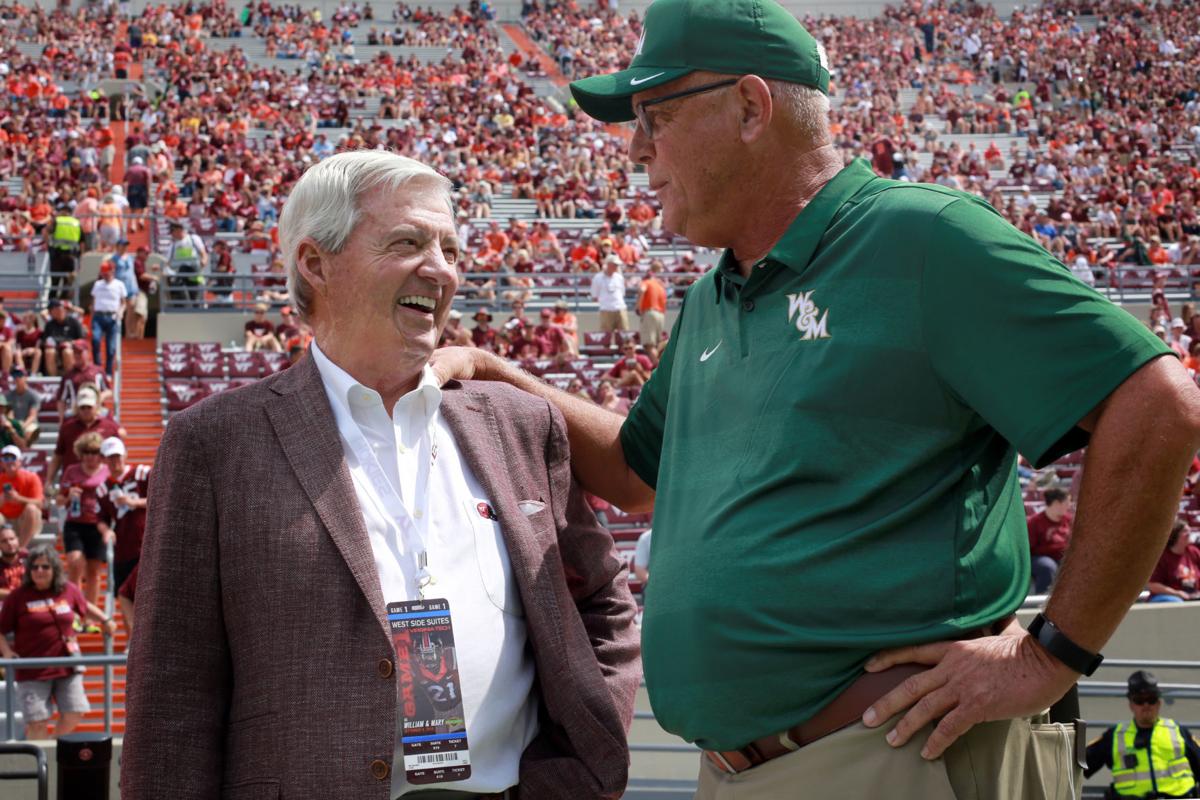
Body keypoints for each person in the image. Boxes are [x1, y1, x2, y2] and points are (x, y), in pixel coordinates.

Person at [431, 1, 1200, 797]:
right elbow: (633, 471)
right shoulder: (714, 295)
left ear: (751, 107)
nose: (637, 150)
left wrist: (1052, 655)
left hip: (894, 758)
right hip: (737, 771)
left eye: (655, 115)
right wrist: (496, 372)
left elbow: (1156, 402)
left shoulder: (922, 238)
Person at [122, 151, 640, 800]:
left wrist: (583, 761)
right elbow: (172, 694)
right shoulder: (216, 443)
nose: (442, 268)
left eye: (451, 248)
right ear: (315, 263)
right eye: (408, 242)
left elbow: (603, 600)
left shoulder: (518, 424)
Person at [0, 545, 117, 740]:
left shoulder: (68, 589)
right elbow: (1, 629)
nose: (39, 571)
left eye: (45, 566)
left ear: (54, 568)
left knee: (74, 712)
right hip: (32, 670)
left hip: (67, 665)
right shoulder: (18, 596)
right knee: (37, 721)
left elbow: (84, 605)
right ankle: (39, 763)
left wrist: (105, 620)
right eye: (35, 567)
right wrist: (6, 652)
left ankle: (52, 750)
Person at [1085, 671, 1200, 798]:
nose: (1146, 705)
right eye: (1139, 700)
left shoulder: (1178, 731)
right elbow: (1080, 764)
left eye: (1151, 699)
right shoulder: (1114, 736)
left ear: (1158, 703)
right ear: (1131, 705)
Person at [57, 431, 111, 607]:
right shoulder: (72, 471)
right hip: (75, 523)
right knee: (74, 563)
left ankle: (90, 616)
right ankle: (74, 610)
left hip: (98, 523)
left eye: (94, 452)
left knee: (94, 571)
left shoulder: (107, 471)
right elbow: (59, 500)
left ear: (100, 454)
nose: (90, 456)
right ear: (80, 453)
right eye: (86, 452)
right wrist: (68, 495)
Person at [96, 436, 148, 594]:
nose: (114, 461)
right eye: (110, 457)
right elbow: (100, 518)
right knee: (125, 594)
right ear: (104, 459)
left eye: (117, 456)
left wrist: (136, 503)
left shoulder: (142, 474)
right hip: (125, 548)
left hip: (148, 542)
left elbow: (164, 496)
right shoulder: (103, 489)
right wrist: (106, 531)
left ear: (125, 455)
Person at [48, 387, 123, 494]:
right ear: (77, 408)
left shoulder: (109, 427)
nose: (86, 410)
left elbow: (120, 453)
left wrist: (119, 474)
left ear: (96, 406)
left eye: (89, 407)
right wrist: (49, 480)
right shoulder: (67, 427)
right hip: (74, 481)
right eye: (83, 407)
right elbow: (58, 455)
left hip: (104, 481)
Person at [1027, 488, 1073, 594]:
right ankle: (1042, 598)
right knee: (1047, 566)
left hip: (1063, 556)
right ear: (1057, 503)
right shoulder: (1034, 522)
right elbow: (1028, 550)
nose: (1070, 506)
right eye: (1068, 502)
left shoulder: (1069, 520)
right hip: (1039, 558)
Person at [0, 444, 44, 548]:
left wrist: (19, 499)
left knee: (31, 508)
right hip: (5, 521)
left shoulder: (31, 477)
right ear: (1, 463)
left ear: (20, 461)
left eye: (12, 458)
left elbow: (40, 503)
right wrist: (2, 499)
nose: (9, 461)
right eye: (6, 458)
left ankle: (21, 549)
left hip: (24, 521)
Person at [1148, 520, 1200, 602]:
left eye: (1190, 530)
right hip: (1167, 596)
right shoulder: (1163, 557)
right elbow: (1152, 585)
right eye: (1185, 531)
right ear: (1175, 535)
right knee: (1177, 601)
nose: (1189, 533)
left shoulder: (1193, 552)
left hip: (1192, 595)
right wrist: (1177, 593)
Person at [91, 261, 128, 377]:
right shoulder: (97, 284)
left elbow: (123, 303)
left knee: (111, 348)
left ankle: (108, 372)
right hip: (98, 316)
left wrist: (121, 312)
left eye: (107, 273)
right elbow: (93, 301)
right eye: (103, 273)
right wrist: (92, 315)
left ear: (112, 271)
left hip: (112, 317)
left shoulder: (119, 285)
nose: (105, 276)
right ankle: (97, 367)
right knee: (96, 340)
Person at [165, 220, 208, 307]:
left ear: (179, 230)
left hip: (194, 274)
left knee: (196, 300)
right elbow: (167, 262)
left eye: (172, 231)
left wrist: (203, 261)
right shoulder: (172, 245)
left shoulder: (193, 239)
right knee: (181, 296)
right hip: (181, 276)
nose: (171, 234)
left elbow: (203, 253)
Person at [45, 201, 80, 300]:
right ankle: (64, 303)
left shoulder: (57, 220)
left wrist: (49, 246)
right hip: (71, 256)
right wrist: (80, 256)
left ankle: (51, 304)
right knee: (68, 282)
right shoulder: (76, 222)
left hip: (57, 255)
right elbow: (82, 242)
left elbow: (46, 232)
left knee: (55, 282)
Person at [41, 300, 86, 378]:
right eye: (54, 310)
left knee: (67, 352)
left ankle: (70, 378)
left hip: (71, 348)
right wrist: (48, 344)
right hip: (55, 349)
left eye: (59, 309)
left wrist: (71, 343)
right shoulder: (50, 323)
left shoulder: (74, 321)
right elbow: (44, 340)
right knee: (49, 352)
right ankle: (53, 378)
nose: (56, 312)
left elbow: (81, 340)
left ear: (64, 310)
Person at [591, 255, 629, 333]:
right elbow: (594, 296)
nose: (616, 267)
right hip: (606, 309)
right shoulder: (598, 278)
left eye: (617, 265)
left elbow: (622, 293)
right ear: (608, 264)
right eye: (615, 265)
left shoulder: (619, 277)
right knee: (606, 336)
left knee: (624, 335)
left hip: (620, 308)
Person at [7, 369, 44, 446]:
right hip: (15, 423)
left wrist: (22, 426)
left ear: (26, 377)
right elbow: (10, 414)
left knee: (29, 432)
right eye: (15, 376)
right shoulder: (9, 396)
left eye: (20, 375)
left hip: (29, 423)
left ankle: (27, 451)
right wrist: (16, 425)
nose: (17, 378)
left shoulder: (33, 395)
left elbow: (32, 416)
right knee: (8, 430)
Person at [637, 261, 668, 346]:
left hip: (650, 313)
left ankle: (655, 360)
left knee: (648, 345)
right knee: (659, 344)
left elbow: (642, 290)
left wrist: (638, 307)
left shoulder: (647, 282)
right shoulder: (661, 285)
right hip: (661, 314)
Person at [0, 523, 26, 600]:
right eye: (4, 541)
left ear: (17, 540)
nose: (9, 543)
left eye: (12, 539)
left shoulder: (31, 560)